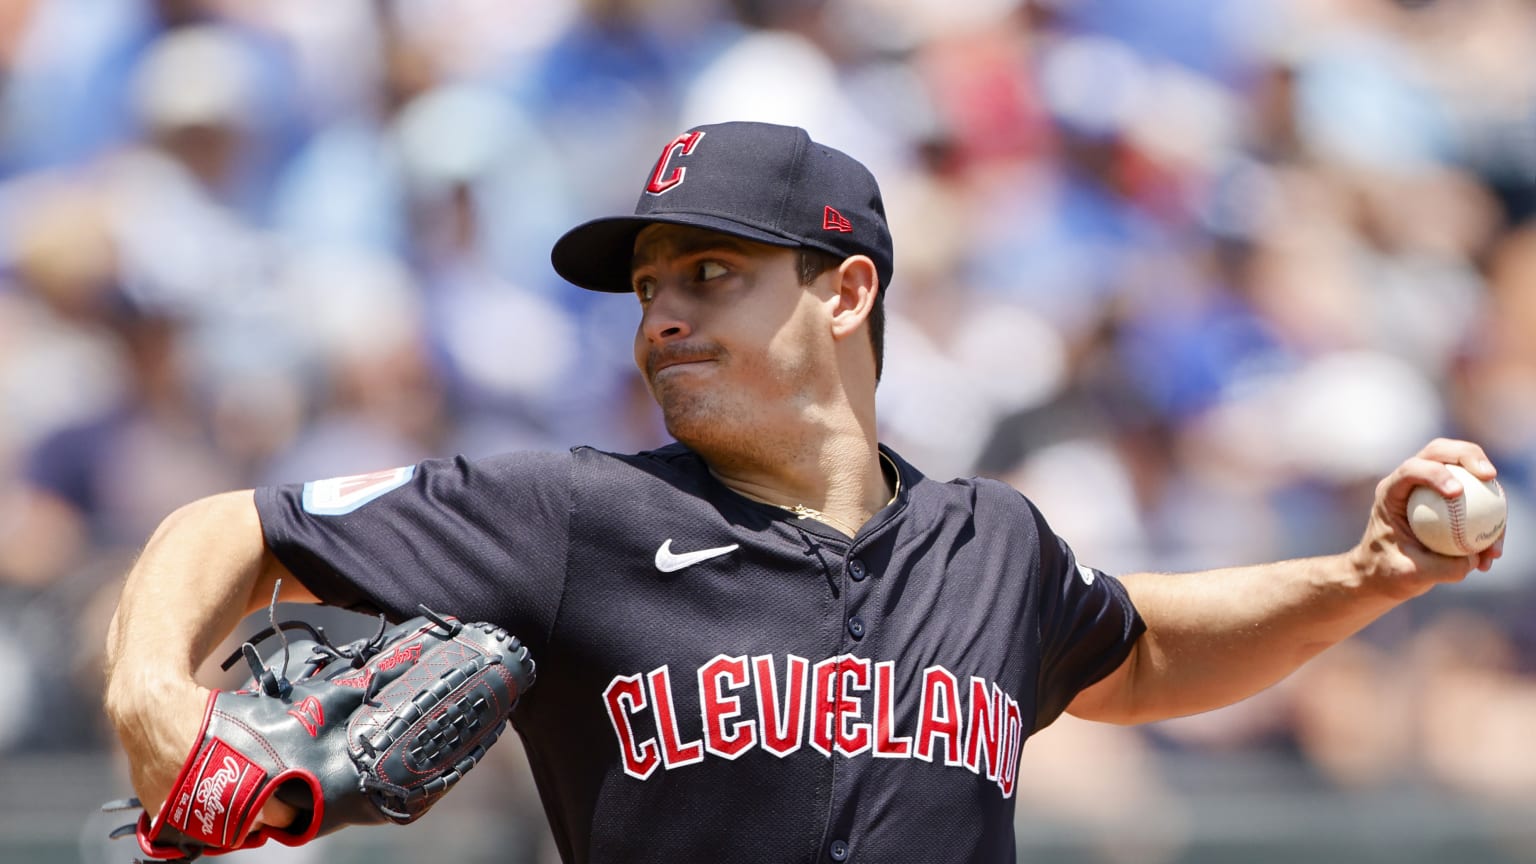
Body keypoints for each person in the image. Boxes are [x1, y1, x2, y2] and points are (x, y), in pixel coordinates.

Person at [103, 121, 1503, 864]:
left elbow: (1139, 654)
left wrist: (1362, 580)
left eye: (711, 274)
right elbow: (232, 527)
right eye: (648, 285)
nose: (662, 312)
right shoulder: (579, 517)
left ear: (846, 293)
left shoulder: (991, 545)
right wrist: (149, 691)